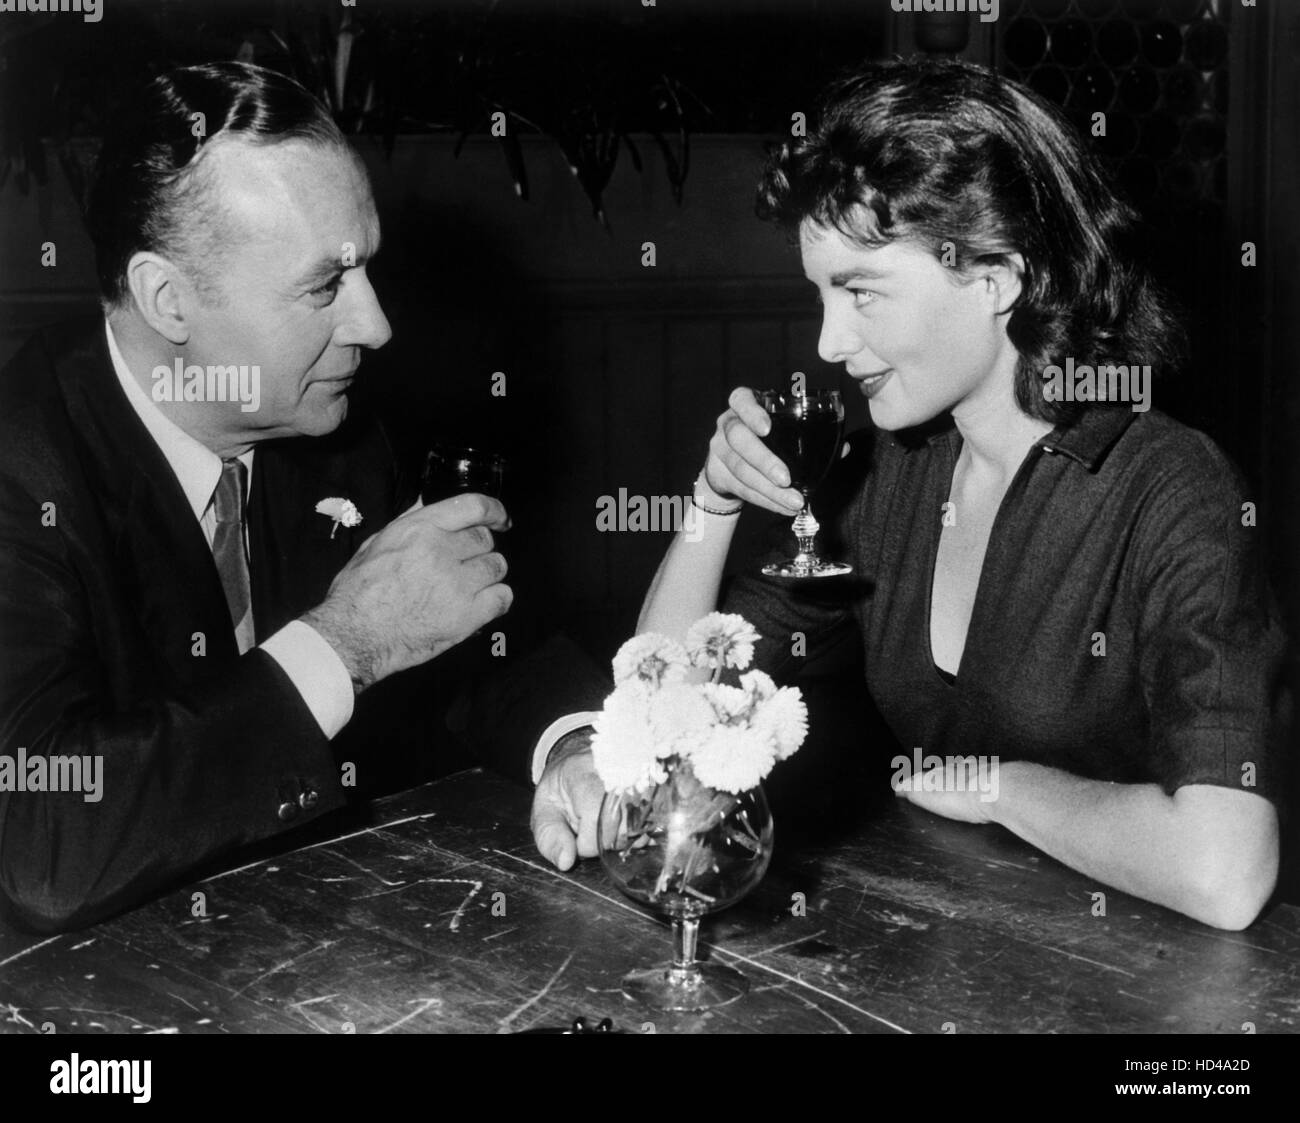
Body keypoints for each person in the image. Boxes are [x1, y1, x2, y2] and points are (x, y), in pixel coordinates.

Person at [531, 58, 1291, 931]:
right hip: (947, 949)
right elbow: (667, 708)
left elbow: (1225, 869)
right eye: (821, 294)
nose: (827, 341)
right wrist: (711, 501)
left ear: (997, 278)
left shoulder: (1173, 490)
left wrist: (1002, 786)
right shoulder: (887, 470)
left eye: (860, 291)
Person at [0, 62, 601, 934]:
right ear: (167, 299)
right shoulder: (22, 469)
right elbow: (39, 840)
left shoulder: (329, 418)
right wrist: (346, 642)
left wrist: (577, 743)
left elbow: (468, 648)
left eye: (366, 271)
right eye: (324, 287)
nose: (376, 324)